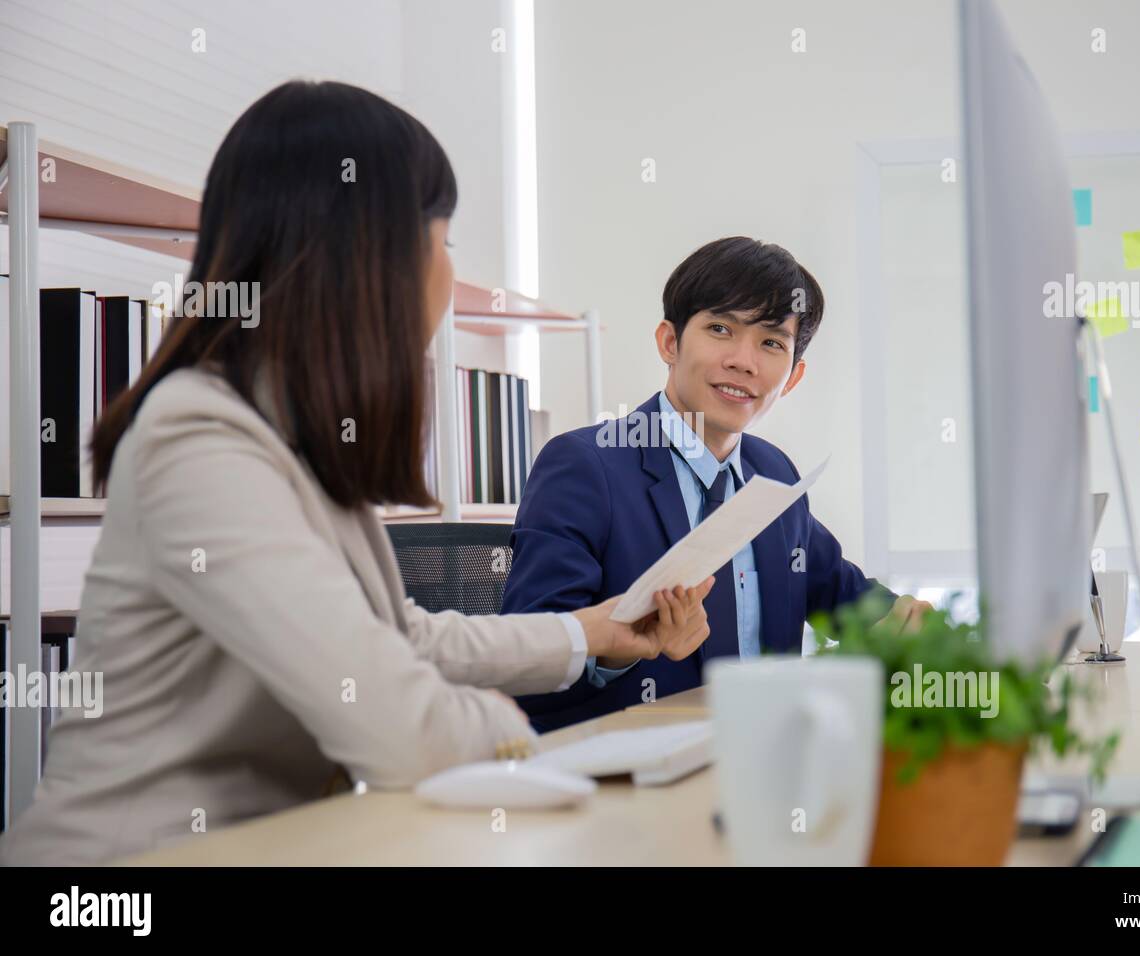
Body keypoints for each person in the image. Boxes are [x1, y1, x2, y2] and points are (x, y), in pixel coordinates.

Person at [0, 81, 710, 866]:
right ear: (369, 254)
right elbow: (392, 722)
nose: (448, 268)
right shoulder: (199, 438)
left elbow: (396, 637)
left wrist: (588, 632)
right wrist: (519, 735)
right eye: (442, 238)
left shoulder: (287, 438)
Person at [502, 237, 928, 732]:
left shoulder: (774, 476)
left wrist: (910, 626)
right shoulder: (584, 465)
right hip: (635, 778)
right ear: (669, 342)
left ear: (792, 377)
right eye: (720, 328)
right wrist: (620, 653)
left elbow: (842, 594)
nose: (743, 361)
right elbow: (530, 665)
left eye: (772, 343)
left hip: (769, 767)